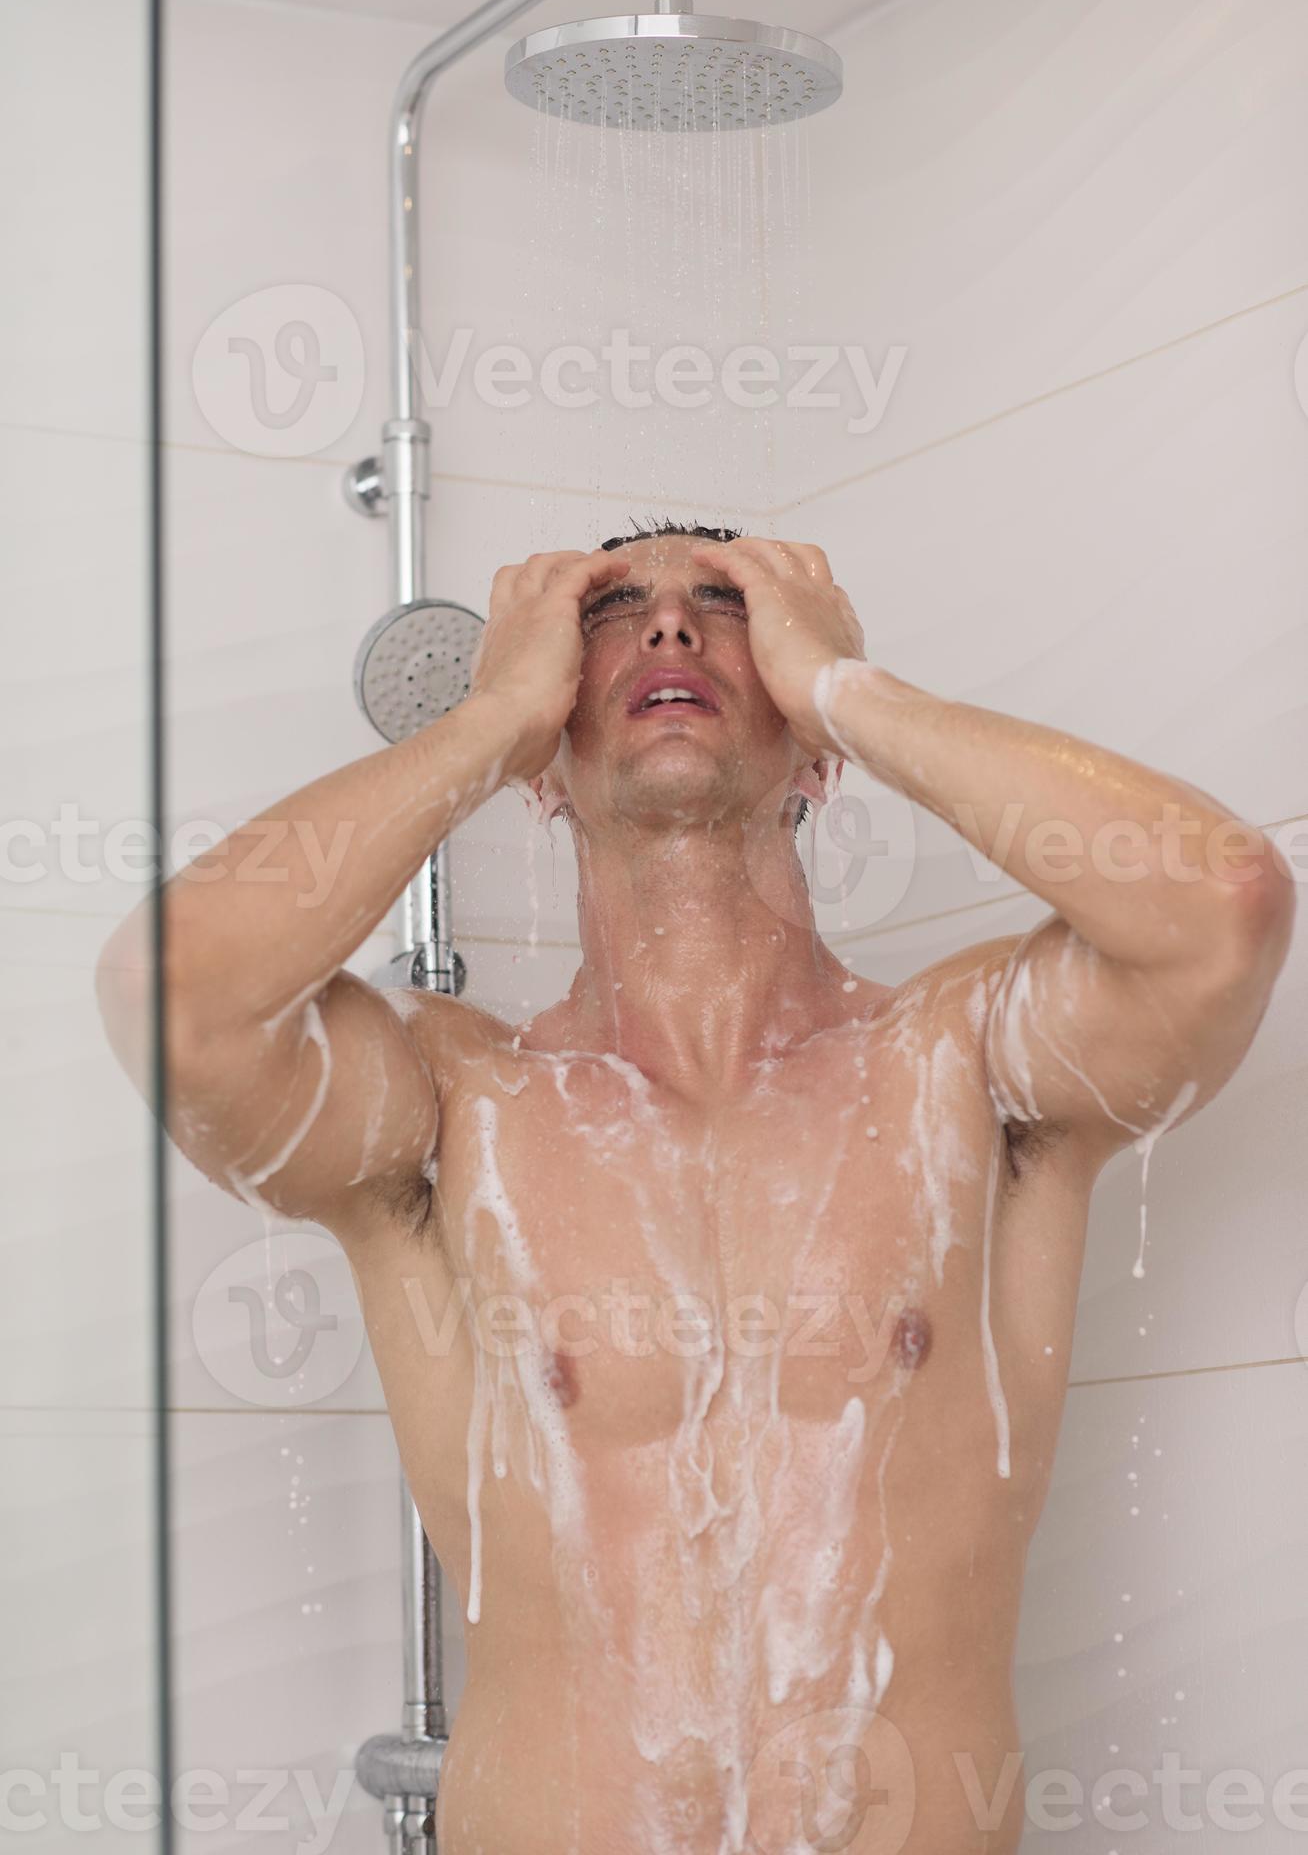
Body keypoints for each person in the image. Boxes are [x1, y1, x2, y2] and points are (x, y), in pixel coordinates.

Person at [98, 524, 1294, 1853]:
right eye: (612, 609)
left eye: (725, 604)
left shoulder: (966, 1070)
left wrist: (848, 688)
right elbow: (173, 996)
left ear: (813, 740)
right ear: (547, 759)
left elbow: (1223, 905)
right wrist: (494, 722)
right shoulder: (452, 1110)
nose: (671, 630)